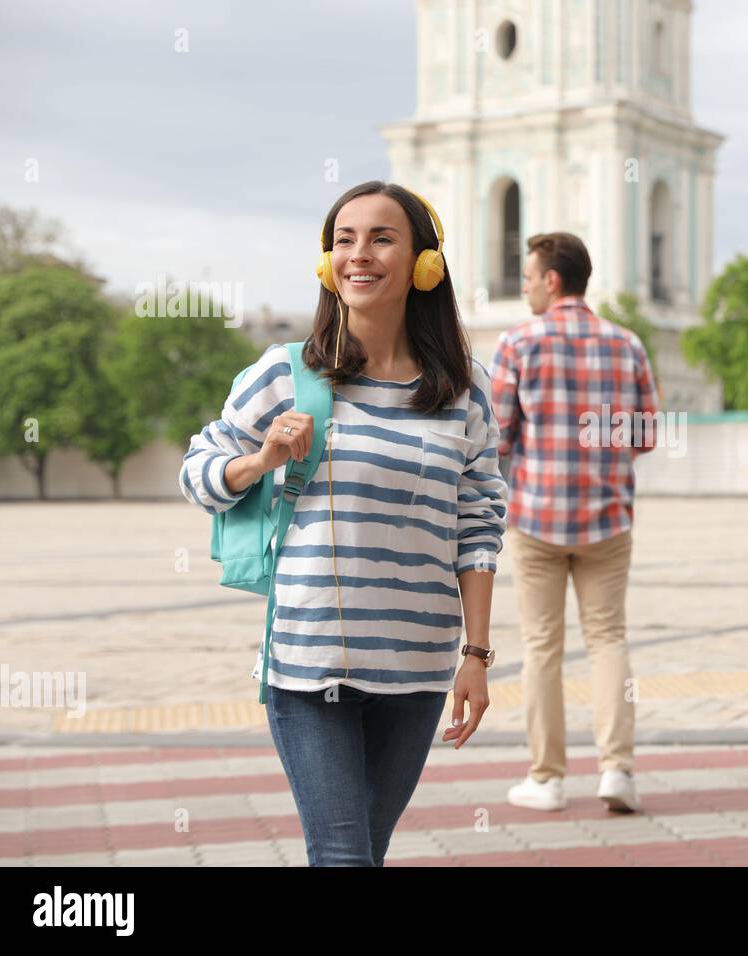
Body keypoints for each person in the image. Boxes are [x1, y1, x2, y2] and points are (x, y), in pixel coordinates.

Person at [179, 180, 506, 865]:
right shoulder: (286, 373)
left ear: (425, 265)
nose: (359, 254)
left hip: (416, 668)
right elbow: (198, 474)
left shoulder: (463, 389)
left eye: (382, 238)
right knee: (344, 857)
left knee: (365, 853)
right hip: (311, 664)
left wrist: (475, 657)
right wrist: (261, 459)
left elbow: (477, 523)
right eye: (344, 240)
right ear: (328, 262)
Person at [489, 232, 659, 813]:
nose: (526, 286)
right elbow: (647, 436)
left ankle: (548, 778)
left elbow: (498, 437)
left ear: (552, 280)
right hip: (608, 519)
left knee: (542, 649)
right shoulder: (627, 344)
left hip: (537, 518)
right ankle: (617, 771)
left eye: (530, 277)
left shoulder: (516, 344)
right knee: (609, 639)